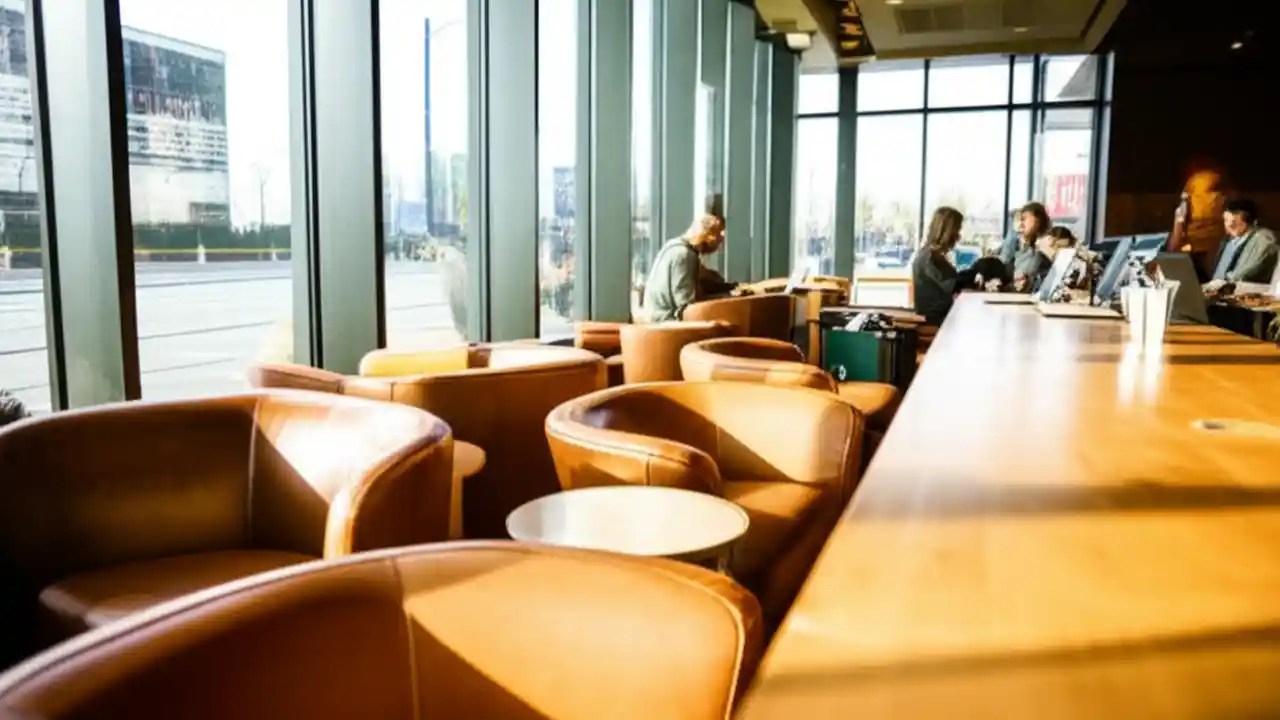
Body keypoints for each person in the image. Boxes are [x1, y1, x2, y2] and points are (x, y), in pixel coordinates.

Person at [641, 213, 726, 322]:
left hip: (654, 316)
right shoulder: (685, 255)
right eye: (718, 241)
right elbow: (686, 305)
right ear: (709, 238)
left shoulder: (673, 246)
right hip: (665, 321)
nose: (718, 247)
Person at [912, 207, 973, 326]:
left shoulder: (930, 255)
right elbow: (953, 284)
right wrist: (976, 272)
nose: (958, 236)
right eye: (957, 230)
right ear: (947, 231)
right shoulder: (930, 257)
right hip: (936, 322)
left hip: (941, 318)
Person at [1207, 199, 1278, 286]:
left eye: (1234, 222)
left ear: (1252, 222)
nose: (1229, 225)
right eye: (1226, 220)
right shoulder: (1228, 240)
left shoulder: (1263, 238)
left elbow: (1247, 271)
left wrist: (1223, 282)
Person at [1011, 202, 1053, 293]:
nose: (1021, 224)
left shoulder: (1044, 249)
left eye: (1024, 219)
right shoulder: (1020, 247)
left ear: (1038, 221)